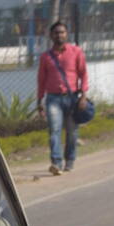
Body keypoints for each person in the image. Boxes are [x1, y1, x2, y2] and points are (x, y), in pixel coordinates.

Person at [36, 20, 89, 174]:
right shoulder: (45, 57)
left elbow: (83, 74)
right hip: (53, 99)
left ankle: (70, 160)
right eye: (56, 32)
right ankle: (56, 163)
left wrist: (84, 96)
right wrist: (40, 101)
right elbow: (41, 80)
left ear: (67, 34)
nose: (59, 35)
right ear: (51, 35)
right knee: (54, 130)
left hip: (72, 98)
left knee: (72, 132)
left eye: (62, 32)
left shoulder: (76, 52)